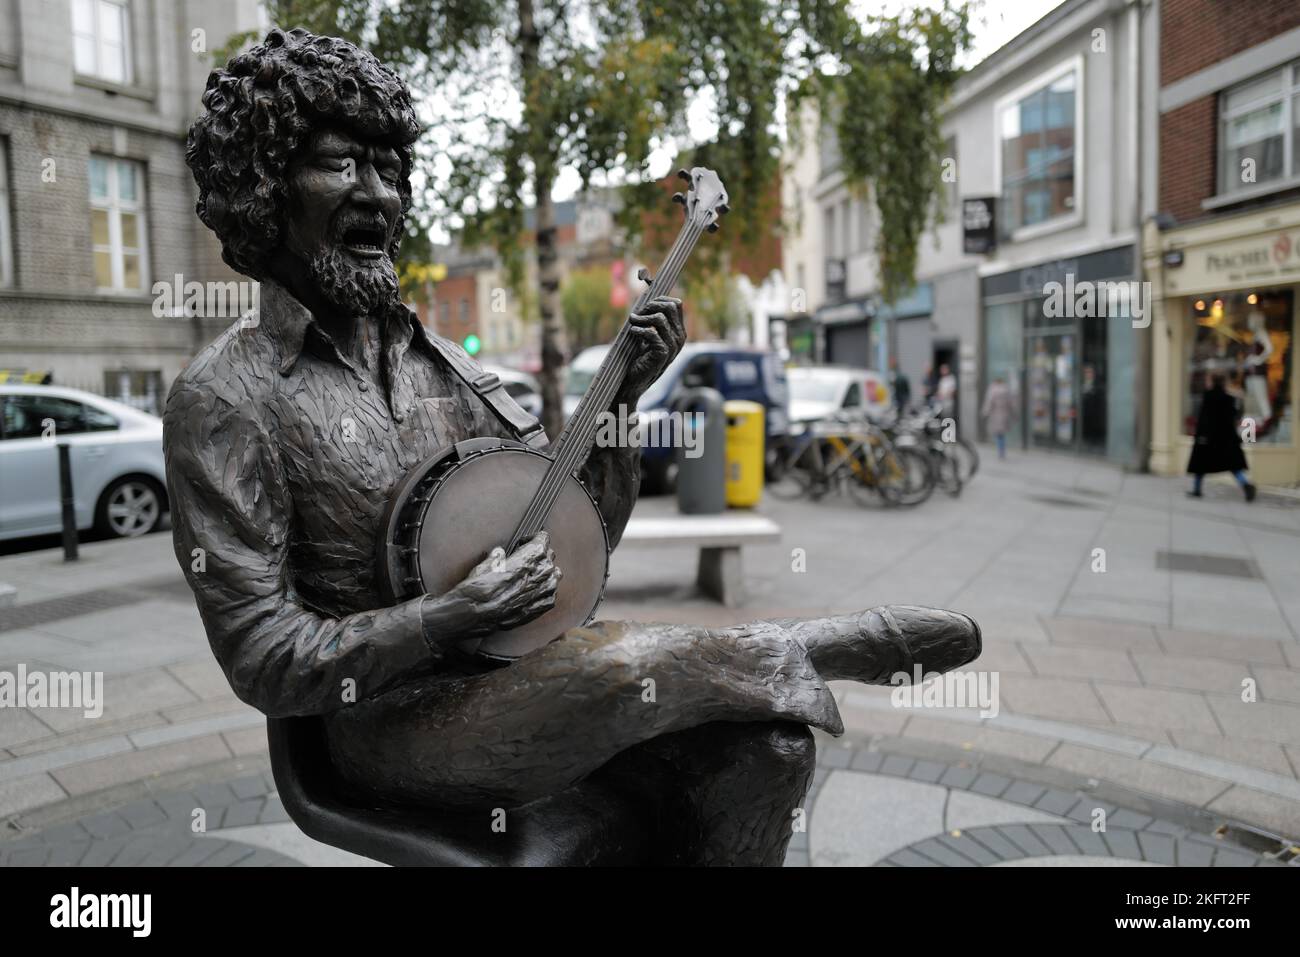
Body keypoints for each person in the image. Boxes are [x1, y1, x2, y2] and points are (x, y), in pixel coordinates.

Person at [165, 28, 981, 866]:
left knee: (768, 748)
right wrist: (438, 620)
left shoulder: (448, 367)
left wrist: (624, 397)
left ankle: (776, 662)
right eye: (340, 163)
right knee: (619, 667)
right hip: (383, 725)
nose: (374, 193)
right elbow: (261, 654)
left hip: (522, 681)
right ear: (264, 185)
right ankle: (821, 643)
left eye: (388, 168)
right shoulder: (228, 397)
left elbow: (576, 540)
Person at [1187, 373, 1256, 502]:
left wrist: (1199, 435)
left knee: (1200, 465)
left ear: (1212, 381)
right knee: (1233, 466)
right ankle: (1245, 484)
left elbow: (1203, 418)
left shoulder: (1208, 397)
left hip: (1208, 438)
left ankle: (1197, 490)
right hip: (1226, 439)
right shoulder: (1229, 398)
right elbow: (1235, 416)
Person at [981, 375, 1015, 459]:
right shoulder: (1007, 390)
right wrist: (1014, 414)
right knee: (1002, 434)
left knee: (998, 434)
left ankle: (1000, 451)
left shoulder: (992, 390)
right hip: (1004, 414)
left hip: (995, 414)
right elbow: (1011, 404)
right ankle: (1002, 450)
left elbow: (989, 403)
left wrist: (985, 413)